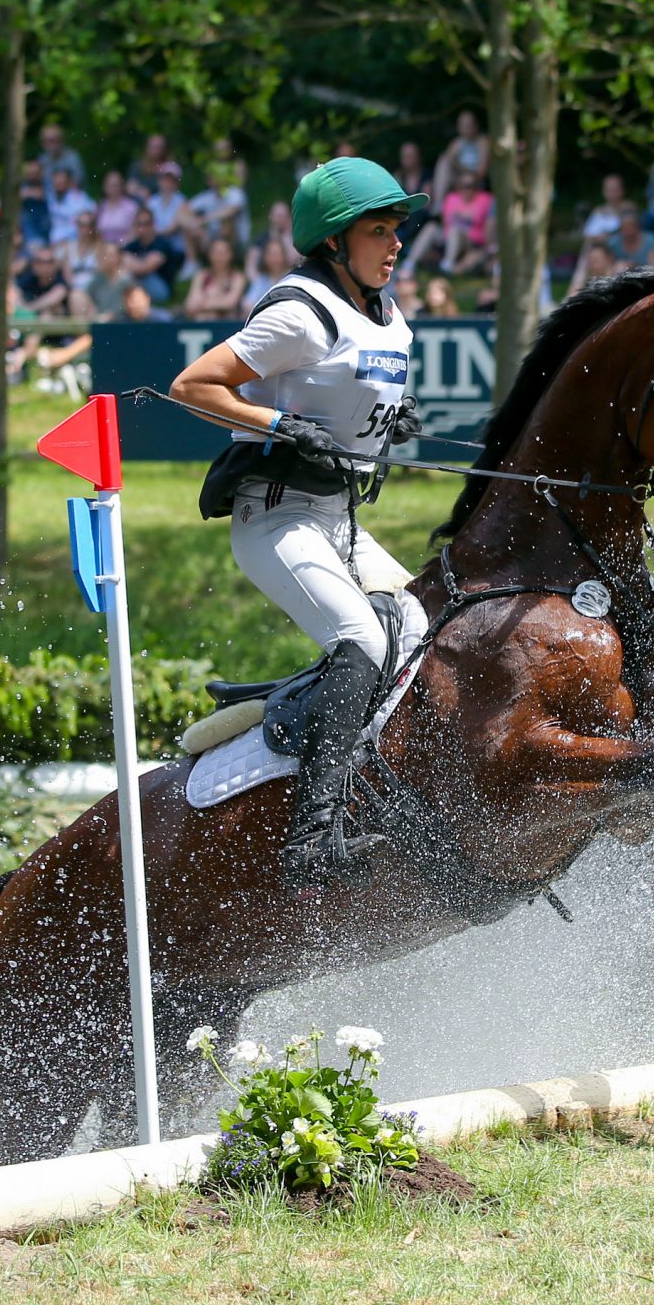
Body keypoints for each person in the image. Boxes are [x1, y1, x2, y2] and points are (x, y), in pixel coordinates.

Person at [167, 156, 428, 884]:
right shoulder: (300, 314)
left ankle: (388, 788)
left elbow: (352, 397)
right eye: (378, 231)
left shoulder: (389, 317)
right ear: (335, 242)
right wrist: (278, 423)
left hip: (341, 521)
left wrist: (393, 417)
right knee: (361, 639)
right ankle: (310, 839)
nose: (395, 244)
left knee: (425, 632)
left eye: (397, 229)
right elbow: (191, 385)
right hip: (277, 520)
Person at [119, 207, 183, 303]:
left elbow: (145, 269)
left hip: (162, 288)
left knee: (128, 277)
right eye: (139, 224)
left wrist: (129, 262)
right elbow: (118, 259)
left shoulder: (161, 243)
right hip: (141, 282)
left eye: (147, 223)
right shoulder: (134, 244)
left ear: (153, 224)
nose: (143, 228)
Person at [185, 235, 248, 320]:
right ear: (209, 255)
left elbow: (230, 303)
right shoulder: (201, 276)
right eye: (216, 253)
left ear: (231, 255)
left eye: (223, 253)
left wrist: (205, 302)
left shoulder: (238, 277)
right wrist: (217, 301)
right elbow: (191, 304)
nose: (219, 257)